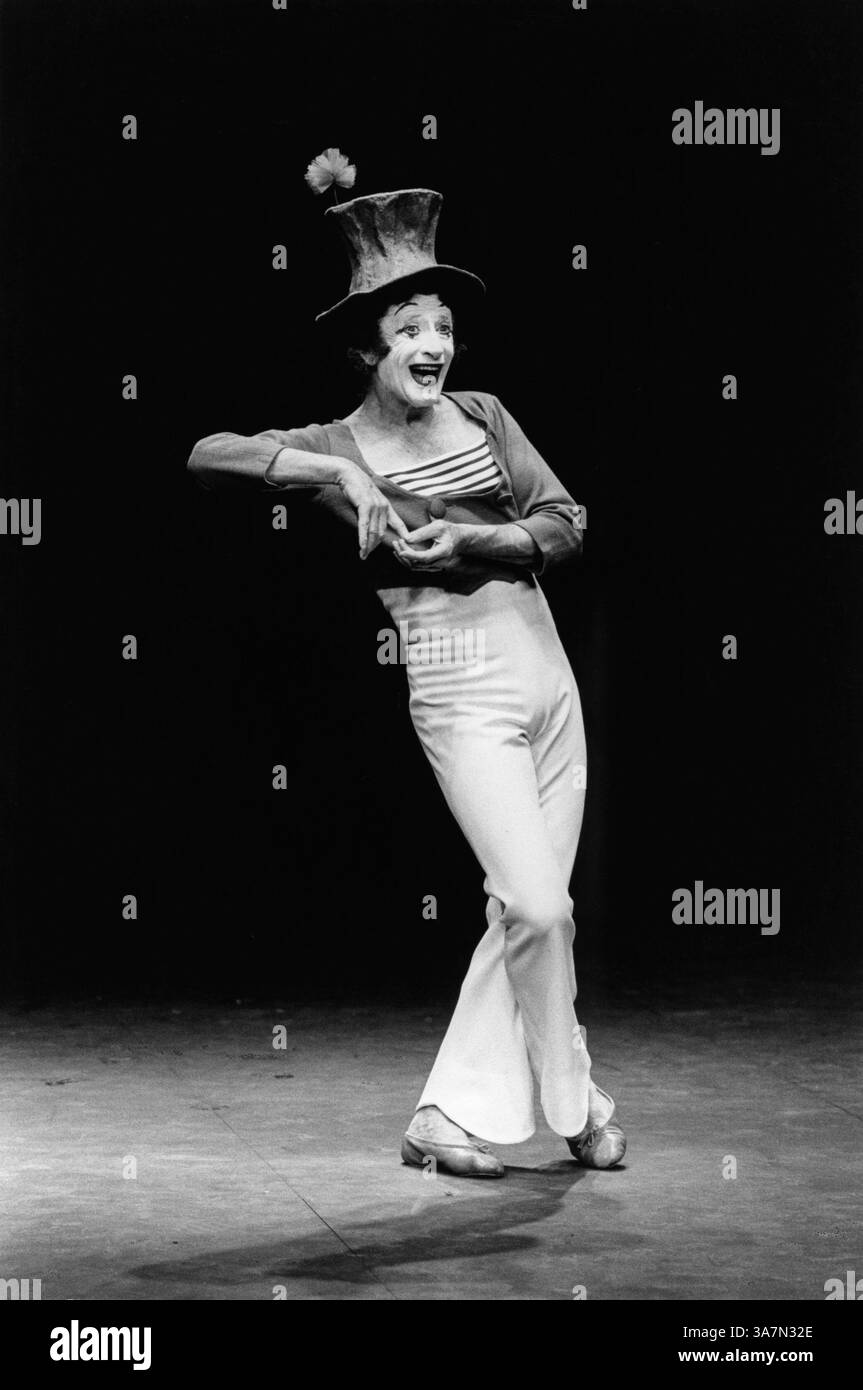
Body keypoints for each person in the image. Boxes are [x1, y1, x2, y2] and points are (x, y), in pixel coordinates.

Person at [188, 185, 626, 1179]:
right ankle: (575, 1099)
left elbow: (567, 520)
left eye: (443, 325)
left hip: (549, 683)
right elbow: (205, 455)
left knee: (527, 909)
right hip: (460, 691)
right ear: (364, 351)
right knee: (538, 908)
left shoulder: (484, 412)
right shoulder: (338, 446)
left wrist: (482, 535)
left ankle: (444, 1115)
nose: (433, 343)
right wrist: (332, 479)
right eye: (408, 328)